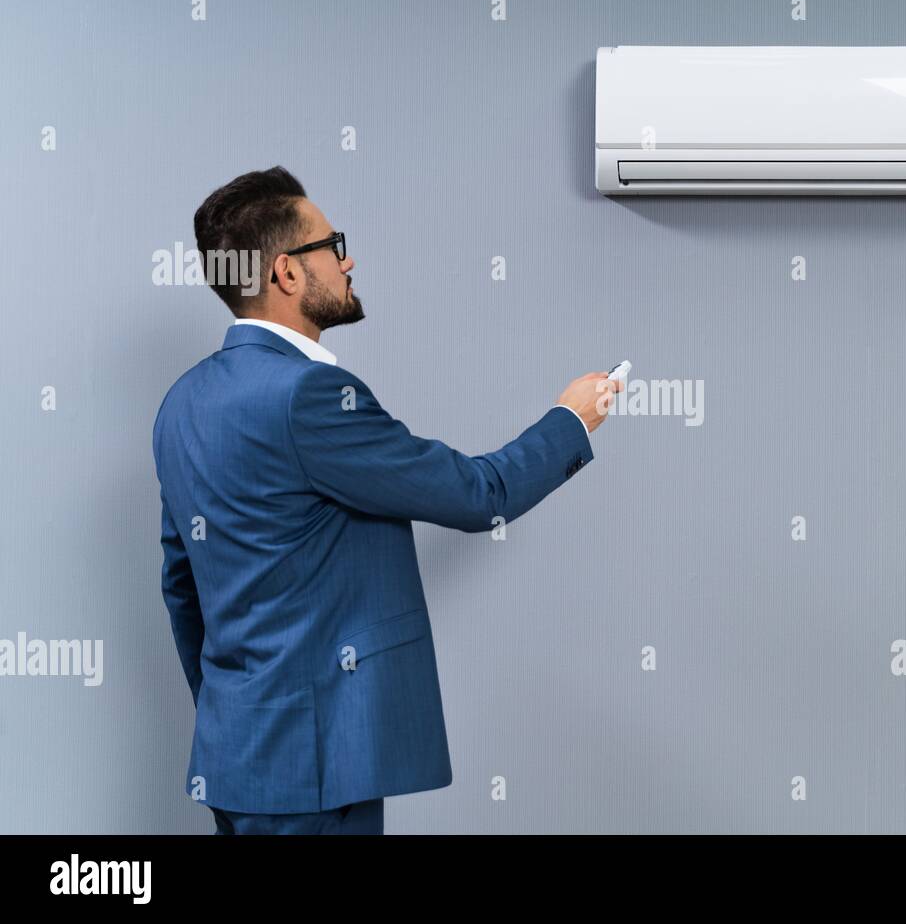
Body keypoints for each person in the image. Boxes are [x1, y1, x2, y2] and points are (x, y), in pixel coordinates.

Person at [152, 167, 619, 834]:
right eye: (332, 244)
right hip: (318, 769)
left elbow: (182, 588)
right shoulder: (307, 398)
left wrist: (238, 713)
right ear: (285, 272)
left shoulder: (182, 405)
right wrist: (572, 420)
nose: (349, 260)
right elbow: (477, 494)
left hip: (240, 761)